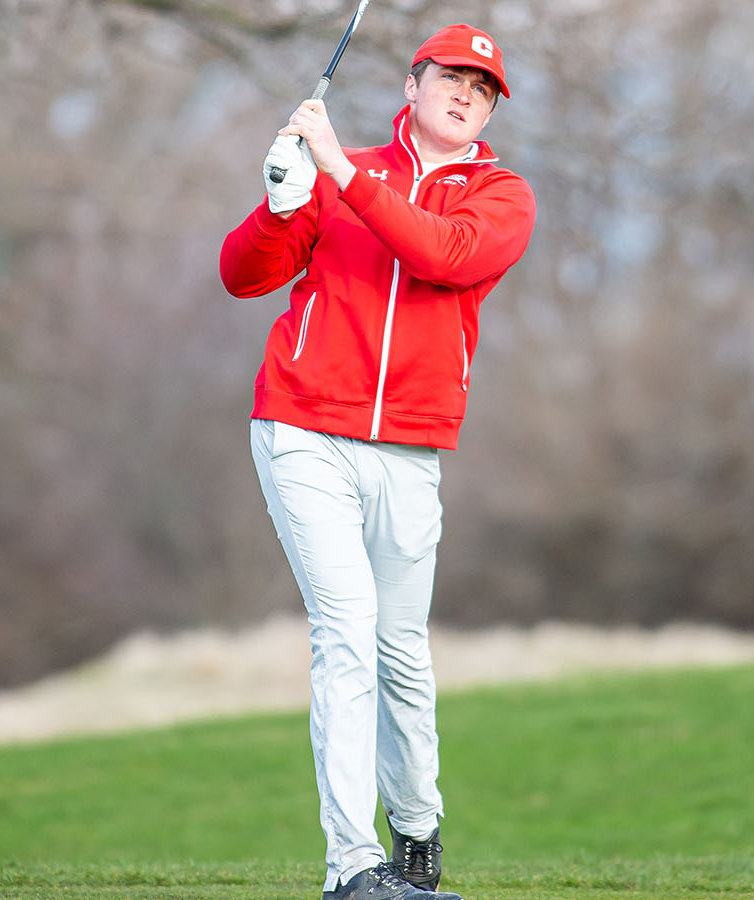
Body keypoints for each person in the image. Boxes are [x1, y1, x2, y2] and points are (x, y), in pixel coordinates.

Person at [219, 22, 535, 900]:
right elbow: (243, 275)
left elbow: (443, 256)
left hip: (410, 449)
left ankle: (418, 843)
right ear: (411, 83)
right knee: (348, 631)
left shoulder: (502, 193)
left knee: (401, 652)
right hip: (302, 427)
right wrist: (280, 202)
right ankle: (351, 868)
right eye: (450, 77)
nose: (465, 93)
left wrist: (340, 174)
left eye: (482, 87)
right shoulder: (337, 169)